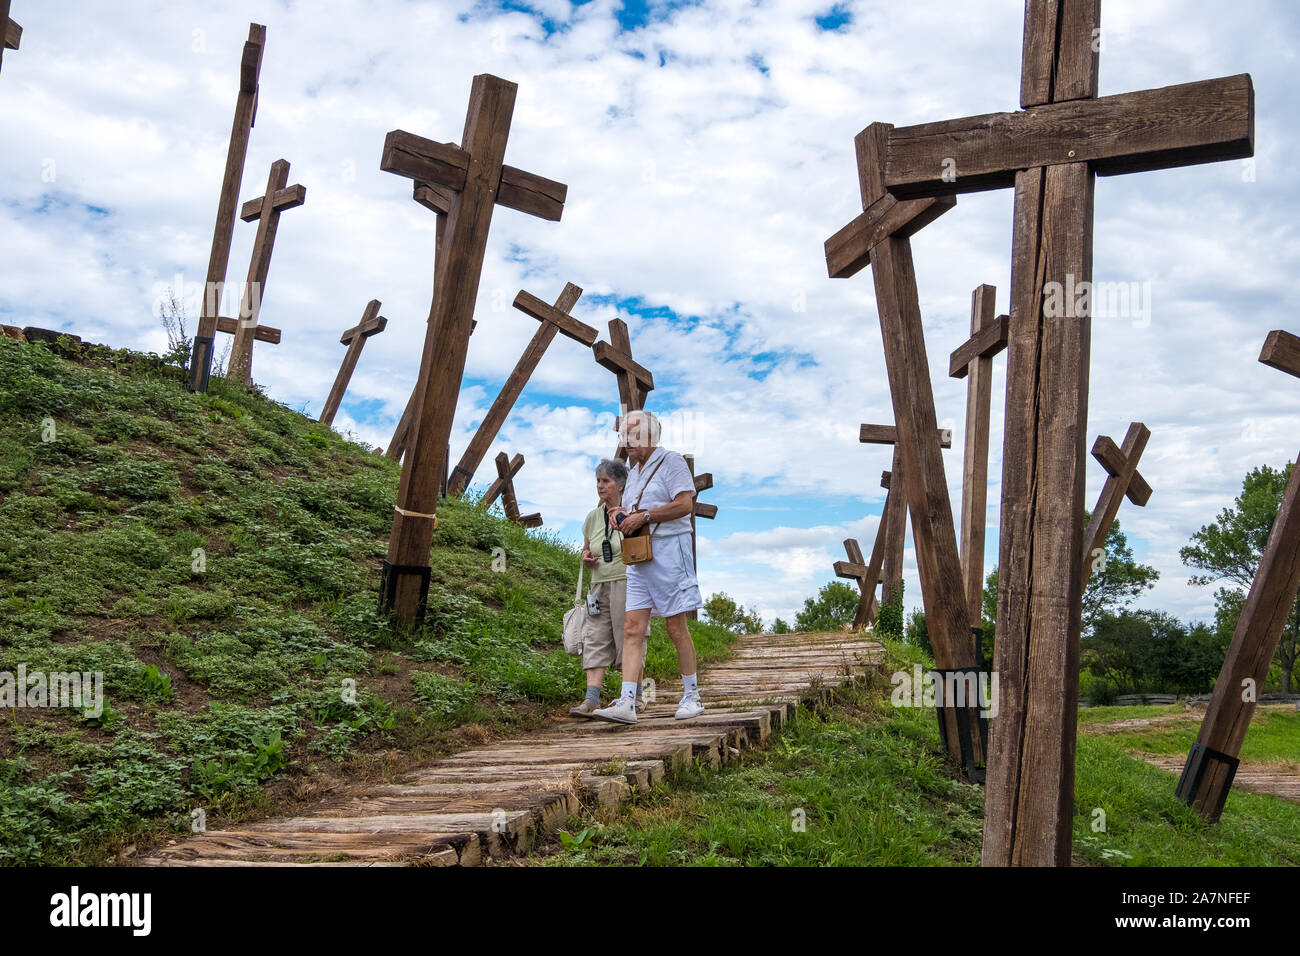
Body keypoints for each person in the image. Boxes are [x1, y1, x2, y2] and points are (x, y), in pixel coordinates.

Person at [592, 410, 704, 725]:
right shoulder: (635, 471)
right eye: (623, 437)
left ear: (649, 436)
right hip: (639, 555)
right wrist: (621, 515)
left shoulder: (672, 462)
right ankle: (628, 700)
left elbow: (685, 505)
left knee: (675, 626)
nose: (625, 443)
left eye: (631, 436)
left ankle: (691, 695)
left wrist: (646, 516)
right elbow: (632, 507)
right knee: (633, 627)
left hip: (669, 553)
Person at [569, 459, 646, 717]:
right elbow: (586, 547)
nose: (600, 486)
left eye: (606, 481)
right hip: (598, 584)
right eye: (598, 481)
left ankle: (636, 696)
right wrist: (586, 557)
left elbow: (642, 543)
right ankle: (591, 700)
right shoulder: (593, 517)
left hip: (627, 580)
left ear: (620, 485)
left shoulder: (631, 511)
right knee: (595, 637)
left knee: (629, 637)